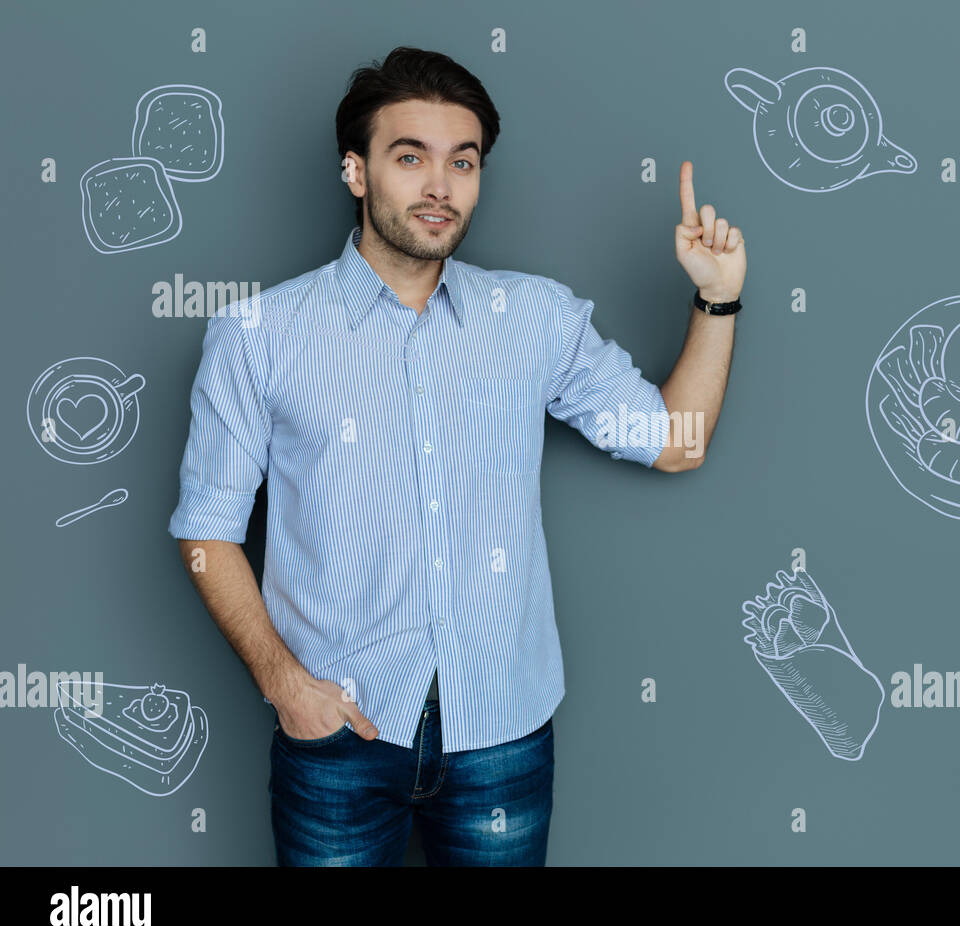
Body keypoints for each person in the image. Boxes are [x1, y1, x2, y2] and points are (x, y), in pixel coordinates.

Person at [168, 46, 745, 866]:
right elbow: (206, 530)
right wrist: (284, 685)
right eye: (410, 158)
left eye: (462, 162)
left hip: (503, 735)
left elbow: (675, 445)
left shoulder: (535, 320)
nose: (440, 185)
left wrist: (717, 297)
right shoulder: (257, 337)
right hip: (337, 741)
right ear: (356, 170)